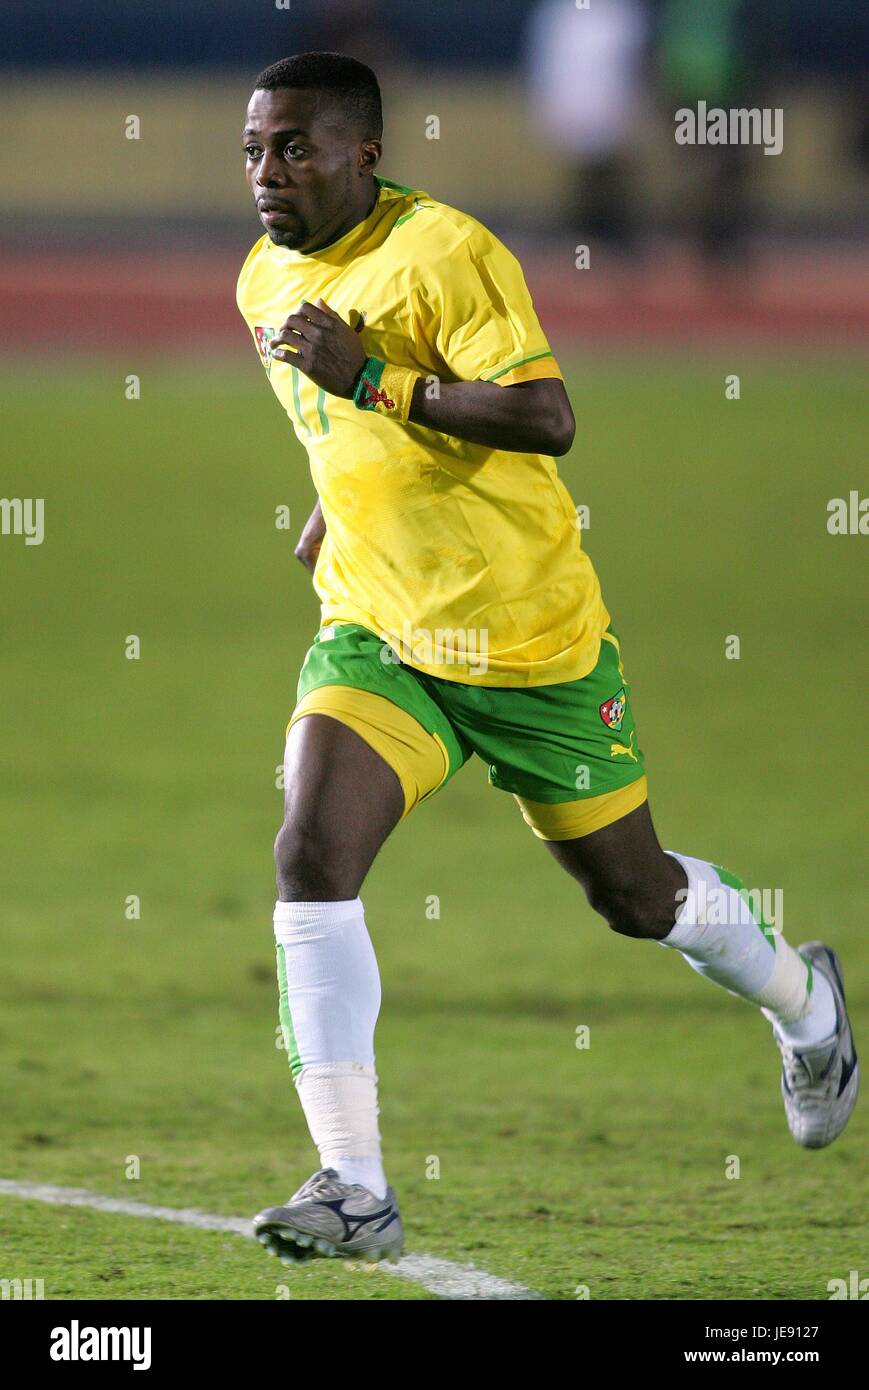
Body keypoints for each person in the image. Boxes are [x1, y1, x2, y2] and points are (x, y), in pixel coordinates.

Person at [236, 51, 858, 1266]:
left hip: (528, 642)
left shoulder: (447, 254)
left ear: (364, 154)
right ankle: (354, 1182)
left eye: (295, 148)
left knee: (635, 896)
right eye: (254, 150)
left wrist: (371, 374)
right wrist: (335, 510)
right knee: (310, 849)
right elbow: (334, 430)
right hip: (382, 633)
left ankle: (805, 1002)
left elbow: (544, 417)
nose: (268, 173)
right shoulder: (261, 274)